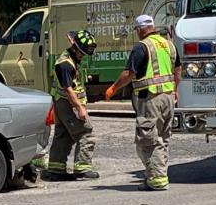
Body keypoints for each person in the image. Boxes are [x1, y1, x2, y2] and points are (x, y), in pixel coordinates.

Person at [104, 15, 181, 191]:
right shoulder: (169, 44)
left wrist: (113, 88)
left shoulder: (141, 47)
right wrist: (175, 90)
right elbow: (178, 70)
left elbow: (129, 74)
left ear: (140, 29)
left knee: (147, 139)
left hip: (150, 99)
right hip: (168, 97)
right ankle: (160, 174)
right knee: (163, 137)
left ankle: (156, 178)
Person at [43, 30, 99, 181]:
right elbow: (68, 89)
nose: (83, 56)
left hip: (61, 103)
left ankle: (56, 169)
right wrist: (80, 108)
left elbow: (71, 35)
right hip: (68, 103)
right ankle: (82, 168)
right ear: (75, 48)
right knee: (86, 132)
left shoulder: (71, 58)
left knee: (64, 135)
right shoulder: (65, 65)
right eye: (81, 52)